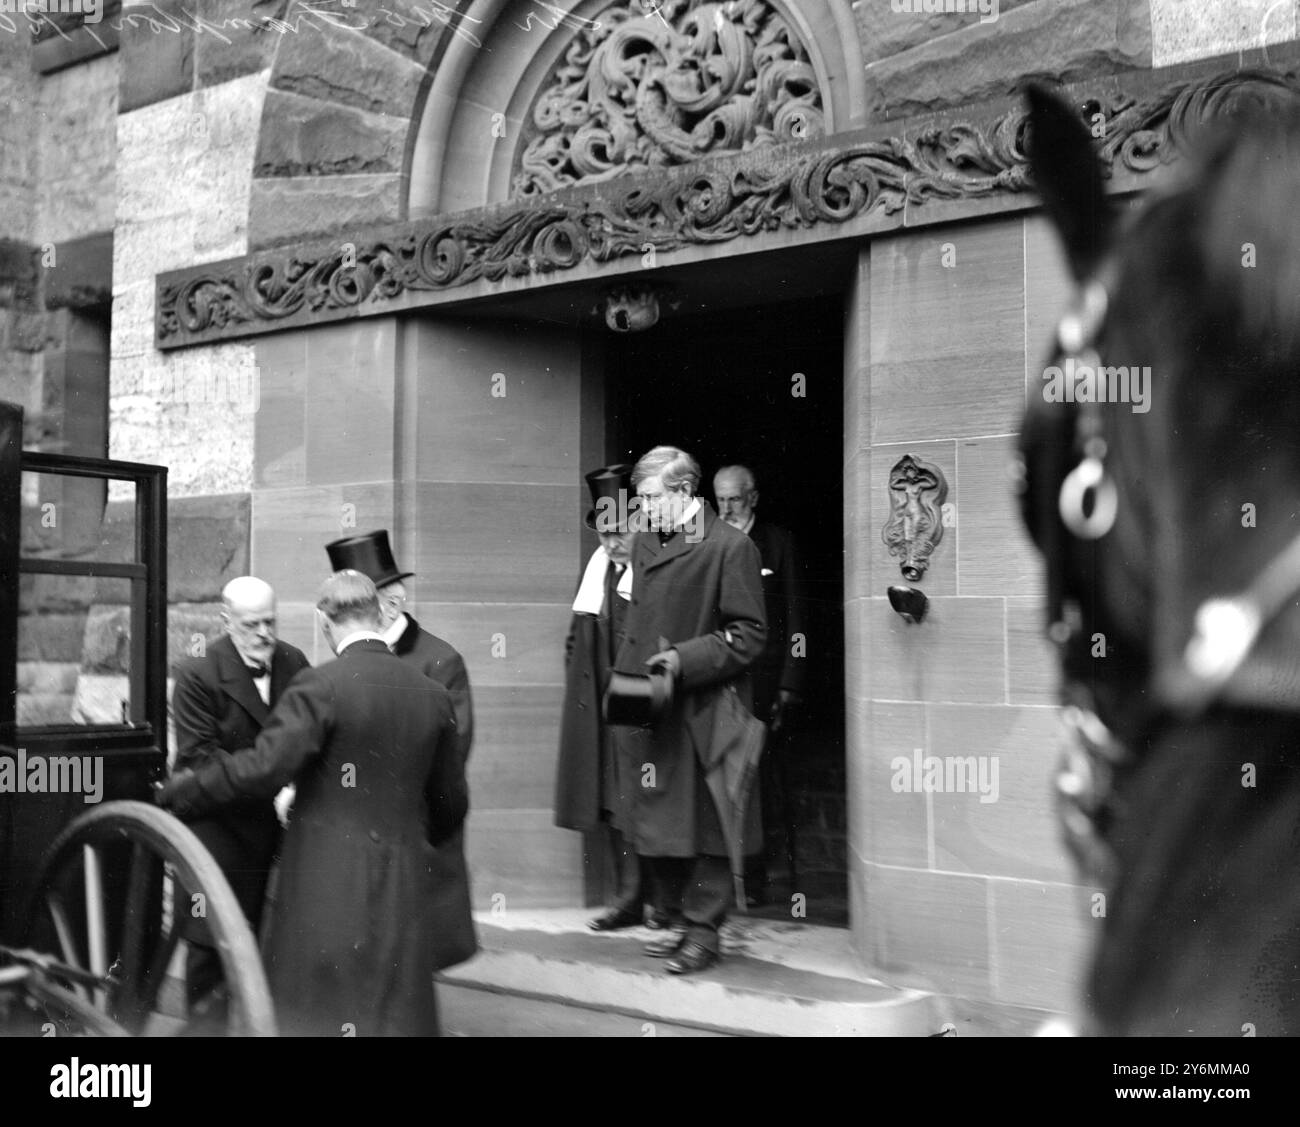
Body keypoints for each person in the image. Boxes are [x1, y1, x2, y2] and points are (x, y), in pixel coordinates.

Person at [159, 570, 466, 1036]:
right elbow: (450, 805)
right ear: (379, 613)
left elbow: (264, 768)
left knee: (319, 1009)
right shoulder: (433, 695)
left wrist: (184, 789)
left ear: (325, 621)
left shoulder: (319, 686)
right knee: (393, 1005)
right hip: (401, 877)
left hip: (324, 881)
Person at [613, 445, 767, 975]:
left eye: (651, 497)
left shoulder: (730, 546)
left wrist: (683, 658)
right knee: (661, 817)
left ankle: (705, 931)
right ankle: (678, 918)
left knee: (710, 822)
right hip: (650, 704)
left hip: (705, 708)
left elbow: (749, 635)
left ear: (683, 492)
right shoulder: (642, 543)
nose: (642, 507)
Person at [324, 529, 477, 971]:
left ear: (392, 603)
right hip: (358, 830)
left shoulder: (439, 660)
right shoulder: (343, 659)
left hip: (416, 823)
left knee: (412, 949)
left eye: (354, 607)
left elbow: (452, 748)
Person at [169, 575, 310, 1008]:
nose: (264, 634)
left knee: (279, 951)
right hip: (218, 830)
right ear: (225, 620)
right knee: (213, 950)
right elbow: (200, 764)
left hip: (279, 830)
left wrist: (296, 784)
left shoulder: (294, 662)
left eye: (270, 621)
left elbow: (309, 738)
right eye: (251, 625)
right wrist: (276, 784)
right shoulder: (197, 674)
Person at [554, 465, 662, 931]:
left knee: (653, 799)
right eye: (604, 535)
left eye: (619, 533)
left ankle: (667, 902)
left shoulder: (659, 572)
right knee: (617, 802)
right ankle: (630, 898)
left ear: (640, 523)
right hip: (605, 706)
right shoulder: (598, 571)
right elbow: (576, 638)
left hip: (646, 704)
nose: (612, 544)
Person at [714, 464, 807, 903]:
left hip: (766, 684)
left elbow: (798, 619)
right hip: (721, 681)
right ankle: (730, 879)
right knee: (725, 780)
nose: (727, 508)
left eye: (734, 499)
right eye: (720, 500)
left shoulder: (777, 542)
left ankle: (758, 879)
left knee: (761, 781)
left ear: (752, 498)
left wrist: (790, 681)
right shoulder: (709, 541)